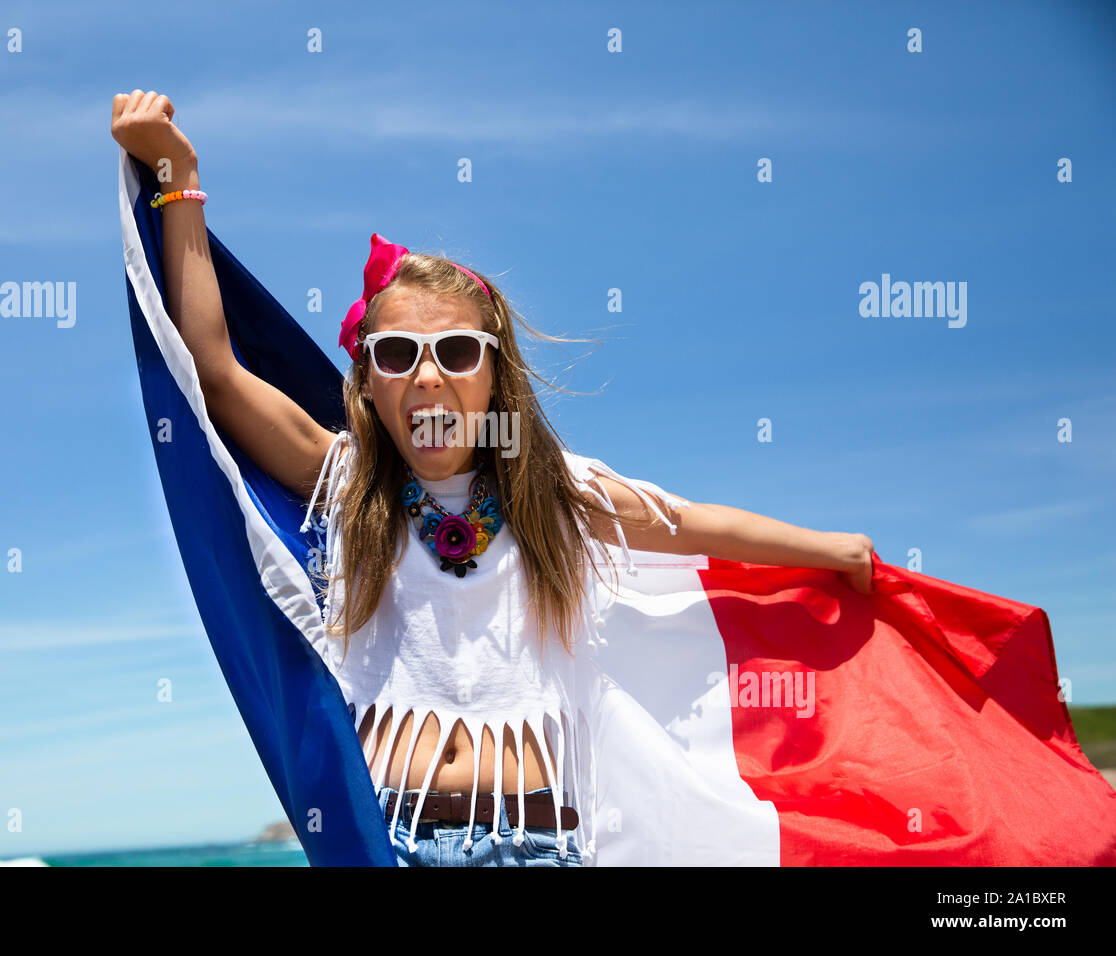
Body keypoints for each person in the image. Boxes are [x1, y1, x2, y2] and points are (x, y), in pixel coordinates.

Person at [110, 89, 878, 867]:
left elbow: (695, 524)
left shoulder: (552, 497)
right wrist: (179, 178)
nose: (429, 377)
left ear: (494, 376)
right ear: (369, 383)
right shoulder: (343, 483)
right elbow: (209, 366)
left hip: (539, 848)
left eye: (457, 354)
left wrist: (833, 551)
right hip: (384, 844)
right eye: (399, 356)